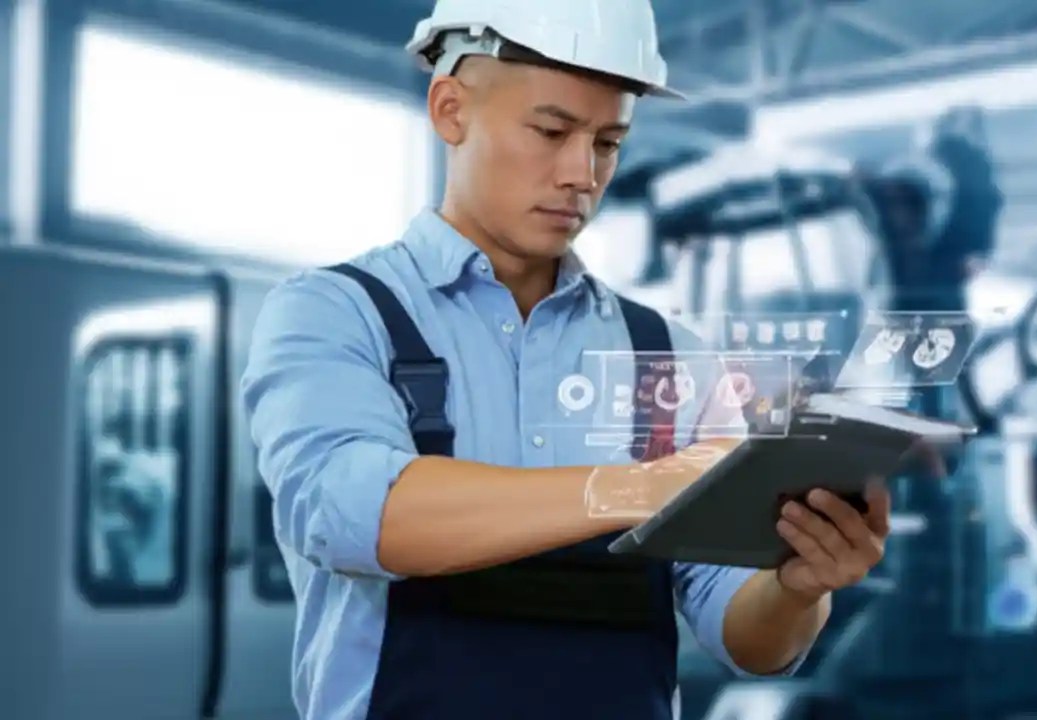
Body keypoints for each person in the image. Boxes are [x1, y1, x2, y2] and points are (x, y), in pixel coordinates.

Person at [241, 2, 891, 718]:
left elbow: (748, 639)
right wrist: (647, 487)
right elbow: (350, 511)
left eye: (608, 143)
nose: (583, 174)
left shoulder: (670, 357)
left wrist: (798, 587)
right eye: (551, 132)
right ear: (450, 109)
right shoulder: (336, 313)